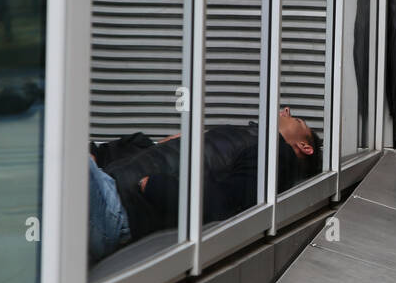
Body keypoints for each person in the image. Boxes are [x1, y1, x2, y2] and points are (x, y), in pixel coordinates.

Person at [87, 108, 323, 263]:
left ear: (305, 147)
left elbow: (229, 207)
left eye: (297, 120)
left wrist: (158, 186)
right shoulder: (249, 139)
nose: (286, 111)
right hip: (108, 192)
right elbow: (159, 154)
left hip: (117, 206)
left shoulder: (275, 153)